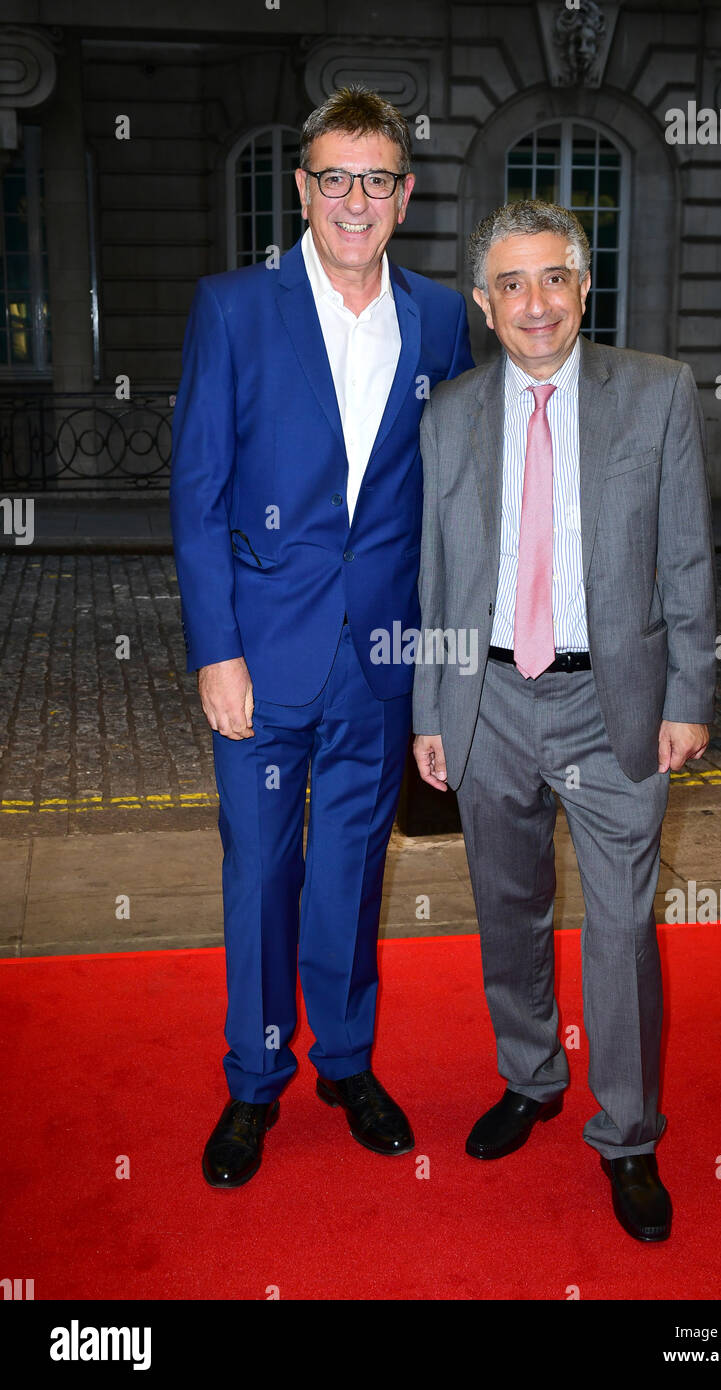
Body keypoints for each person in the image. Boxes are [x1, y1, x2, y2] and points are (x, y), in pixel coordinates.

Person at [170, 86, 473, 1189]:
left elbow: (449, 505)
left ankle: (346, 1061)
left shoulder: (442, 320)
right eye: (333, 178)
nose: (354, 199)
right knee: (260, 871)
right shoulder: (234, 309)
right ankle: (254, 1082)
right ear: (303, 189)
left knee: (350, 872)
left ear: (403, 193)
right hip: (259, 652)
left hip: (380, 658)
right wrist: (215, 650)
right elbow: (198, 494)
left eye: (376, 179)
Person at [412, 200, 716, 1242]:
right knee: (508, 908)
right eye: (510, 284)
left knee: (623, 926)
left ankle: (626, 1132)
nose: (533, 302)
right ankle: (530, 1076)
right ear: (482, 304)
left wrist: (685, 697)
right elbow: (438, 581)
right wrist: (432, 709)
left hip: (609, 704)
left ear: (584, 289)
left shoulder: (657, 394)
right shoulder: (449, 414)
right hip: (488, 699)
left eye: (552, 279)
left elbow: (683, 558)